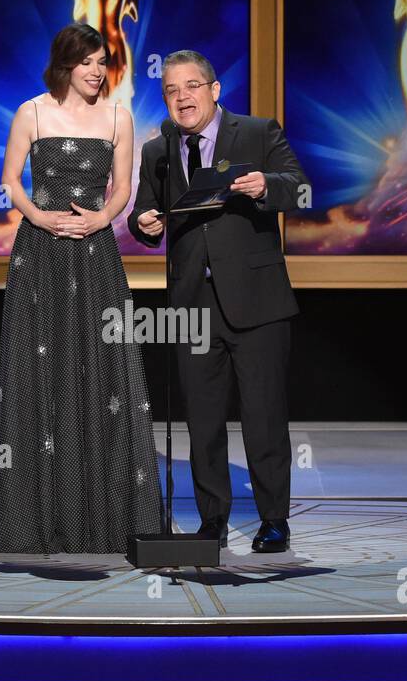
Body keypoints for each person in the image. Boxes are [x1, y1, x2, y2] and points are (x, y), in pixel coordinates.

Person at [0, 22, 161, 554]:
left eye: (103, 62)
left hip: (97, 256)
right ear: (64, 65)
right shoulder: (30, 112)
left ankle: (102, 517)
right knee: (38, 373)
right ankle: (35, 518)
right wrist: (38, 215)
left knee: (100, 374)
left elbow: (123, 187)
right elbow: (10, 182)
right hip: (39, 257)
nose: (97, 71)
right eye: (87, 63)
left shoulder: (119, 117)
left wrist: (102, 219)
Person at [128, 50, 307, 553]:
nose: (181, 98)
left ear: (214, 89)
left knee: (263, 416)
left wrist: (264, 185)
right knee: (202, 421)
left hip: (257, 301)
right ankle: (213, 523)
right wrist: (145, 223)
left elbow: (298, 186)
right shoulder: (158, 150)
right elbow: (146, 210)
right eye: (170, 90)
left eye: (190, 87)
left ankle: (274, 520)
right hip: (192, 305)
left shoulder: (256, 132)